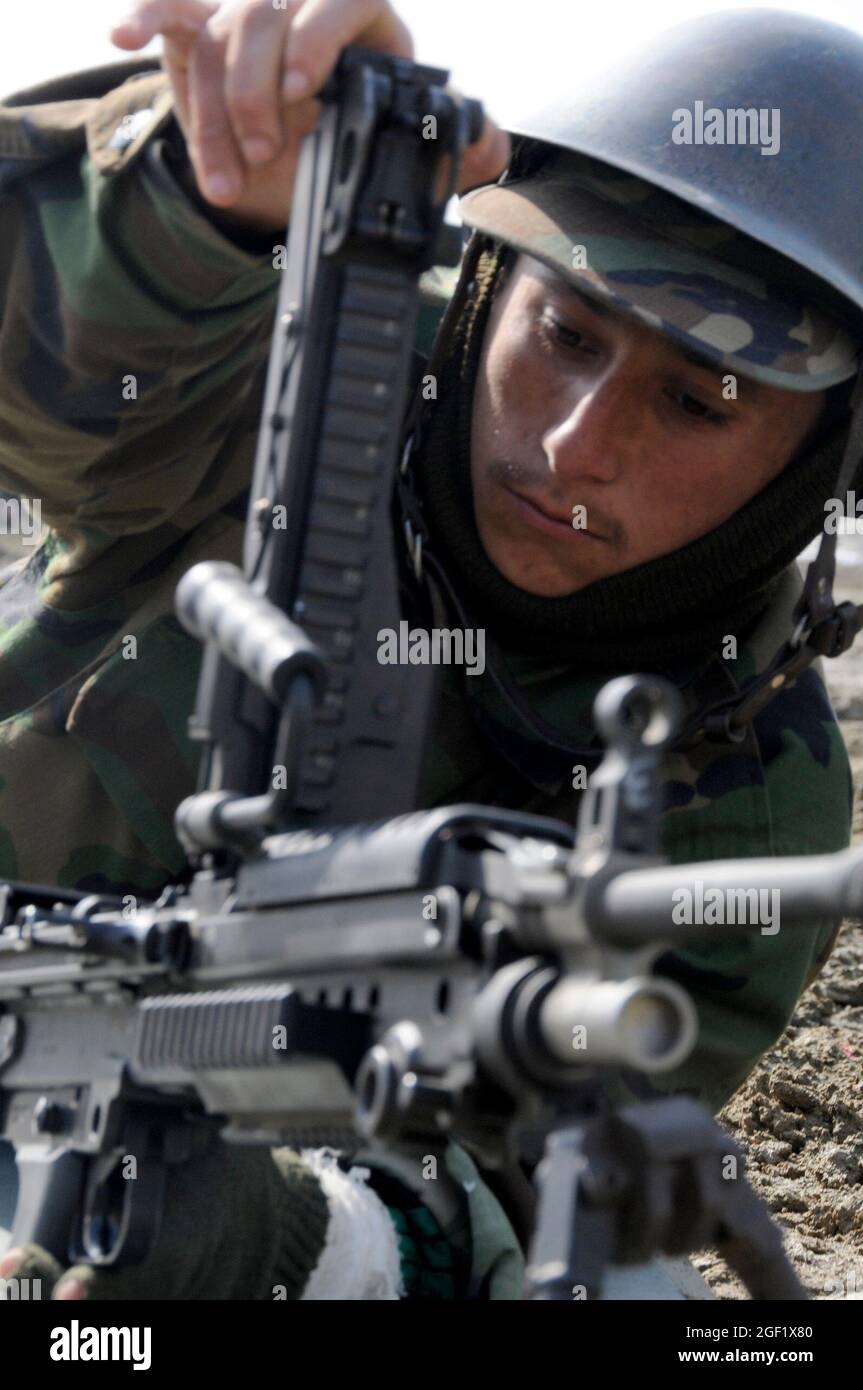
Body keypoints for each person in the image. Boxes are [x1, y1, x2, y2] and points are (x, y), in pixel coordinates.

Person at [0, 1, 860, 1300]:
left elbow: (539, 1183)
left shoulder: (751, 786)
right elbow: (59, 370)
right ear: (490, 285)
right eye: (564, 332)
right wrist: (203, 204)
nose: (575, 447)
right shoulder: (305, 354)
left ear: (817, 466)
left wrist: (305, 1239)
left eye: (694, 400)